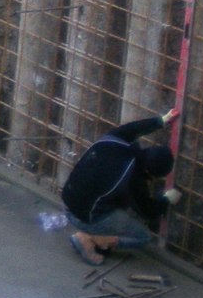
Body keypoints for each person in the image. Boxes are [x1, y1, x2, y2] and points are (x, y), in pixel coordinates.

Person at [61, 108, 181, 265]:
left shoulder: (114, 140)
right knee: (142, 238)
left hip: (68, 200)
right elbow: (147, 211)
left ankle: (92, 233)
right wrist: (166, 200)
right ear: (150, 172)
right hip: (83, 216)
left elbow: (133, 129)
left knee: (115, 200)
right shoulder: (133, 179)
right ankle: (89, 238)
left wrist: (159, 121)